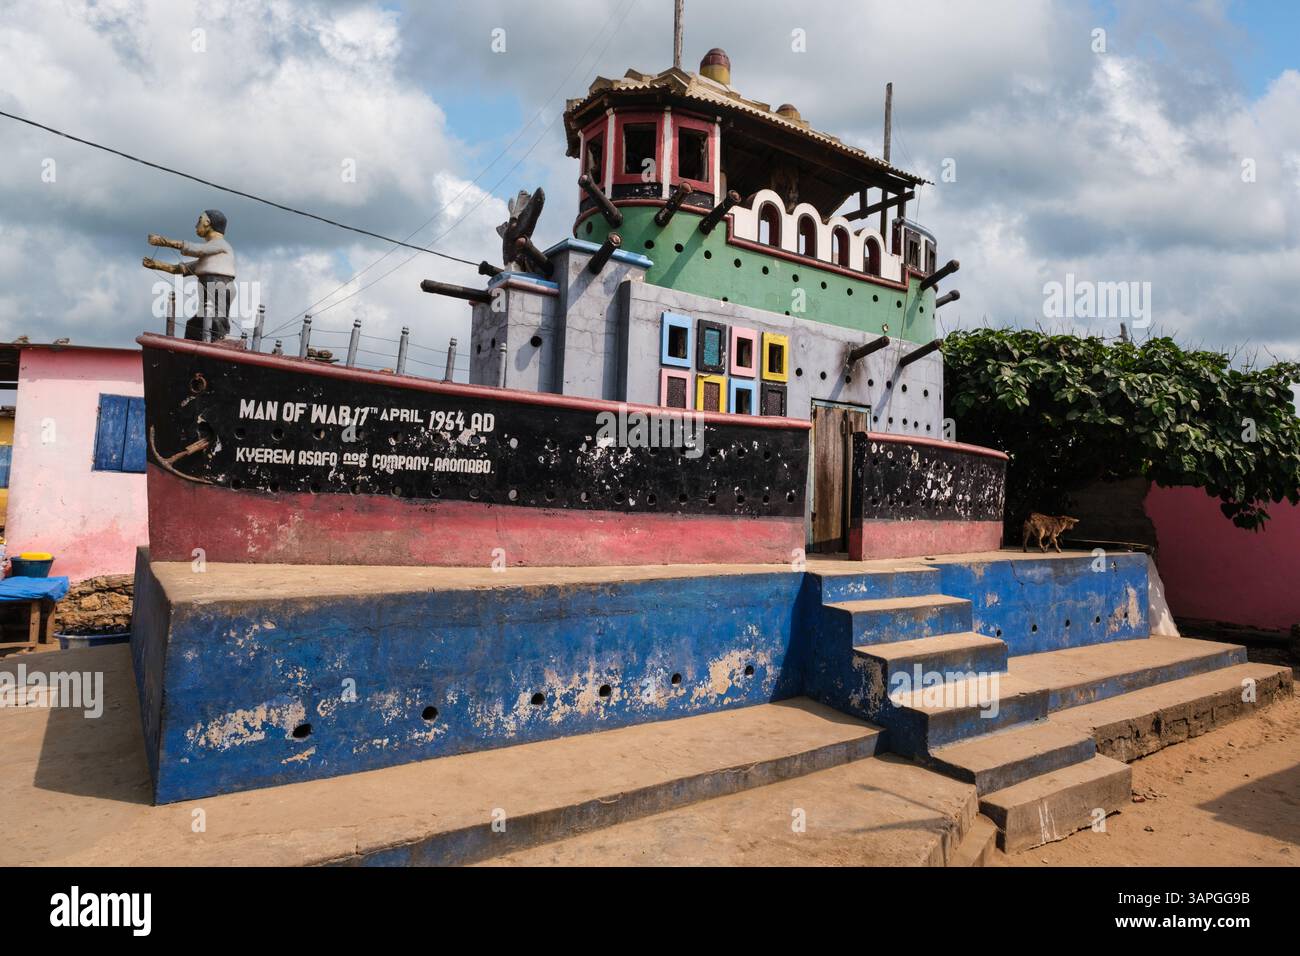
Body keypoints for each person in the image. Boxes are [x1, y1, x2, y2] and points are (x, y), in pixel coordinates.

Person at [142, 210, 236, 340]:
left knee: (216, 321)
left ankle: (219, 343)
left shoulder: (220, 245)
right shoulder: (210, 257)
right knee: (196, 324)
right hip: (208, 286)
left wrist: (164, 242)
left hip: (220, 285)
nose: (196, 225)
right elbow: (182, 269)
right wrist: (156, 265)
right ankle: (194, 352)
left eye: (199, 220)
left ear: (208, 223)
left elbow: (197, 250)